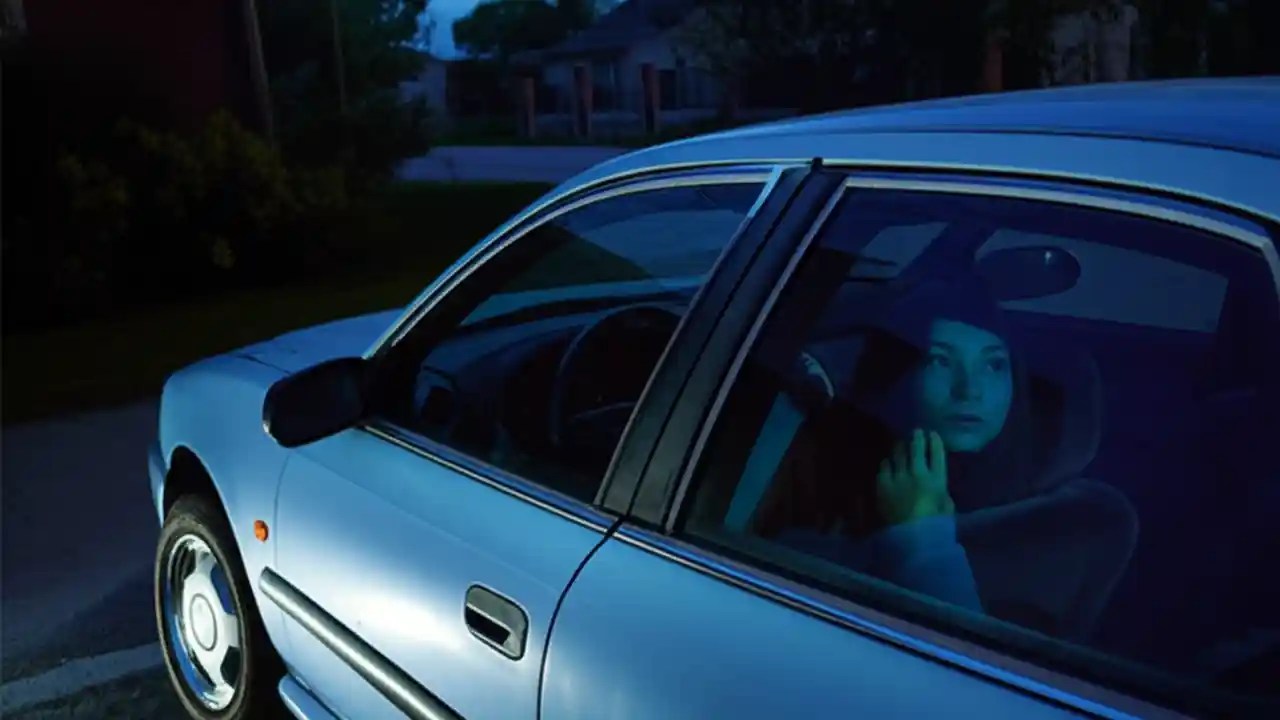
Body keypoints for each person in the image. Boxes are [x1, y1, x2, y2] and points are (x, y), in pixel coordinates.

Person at [756, 274, 1136, 638]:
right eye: (940, 360)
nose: (969, 390)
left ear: (1015, 382)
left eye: (992, 364)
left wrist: (922, 539)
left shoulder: (1075, 526)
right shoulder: (823, 475)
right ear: (900, 378)